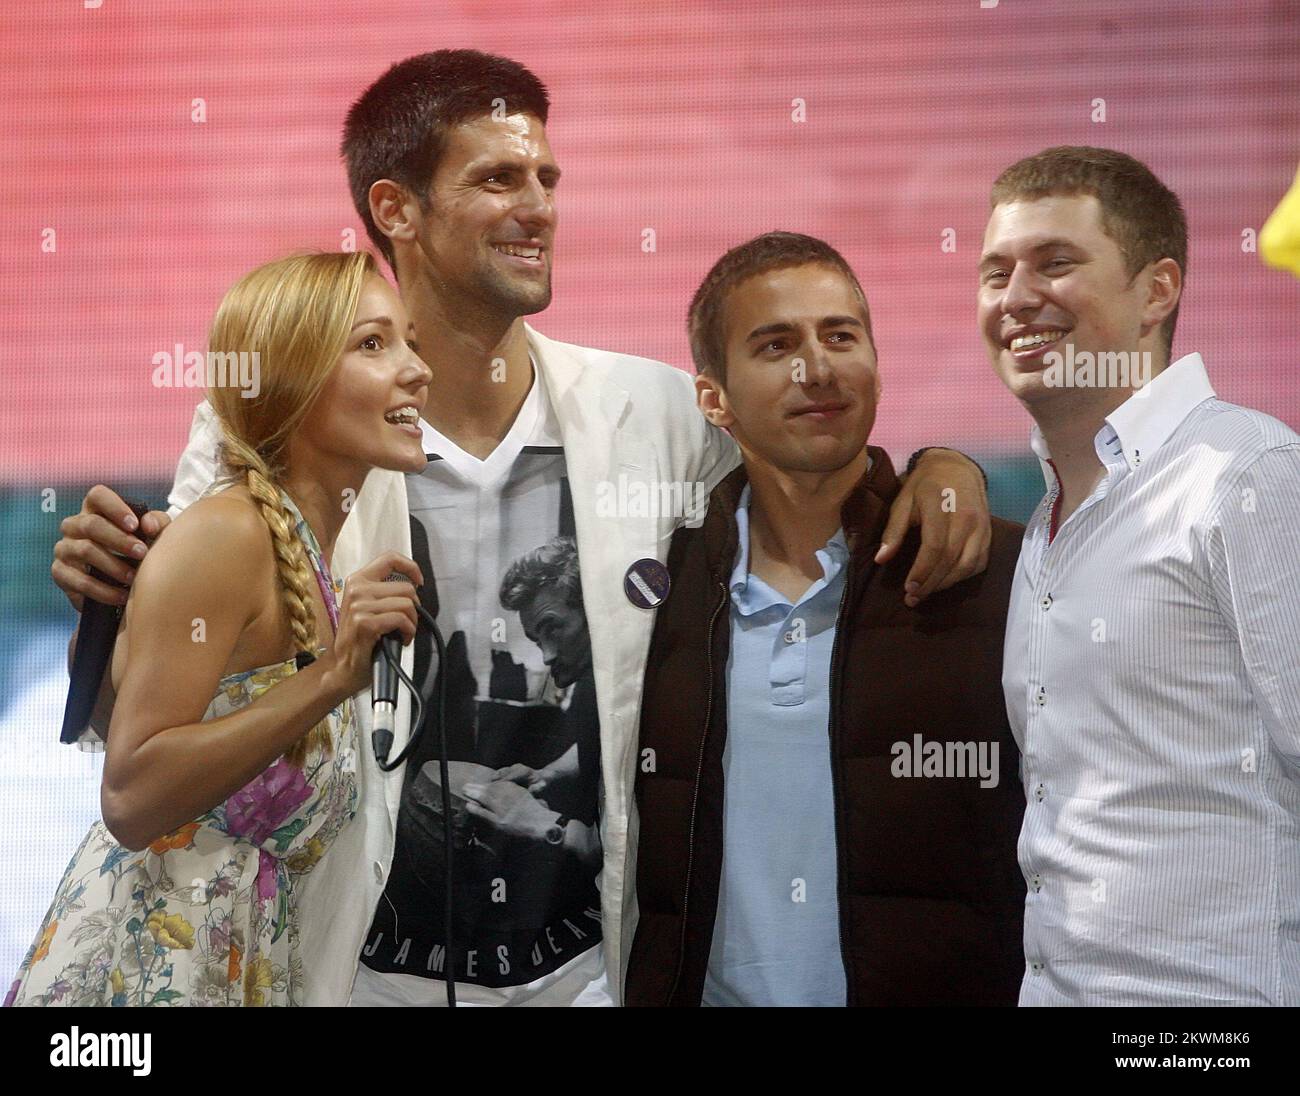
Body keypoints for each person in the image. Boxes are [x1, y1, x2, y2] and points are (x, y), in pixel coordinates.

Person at [48, 51, 993, 1006]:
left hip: (591, 973)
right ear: (396, 210)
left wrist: (941, 468)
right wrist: (110, 601)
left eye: (546, 177)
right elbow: (147, 728)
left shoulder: (655, 413)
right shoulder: (276, 425)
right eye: (498, 178)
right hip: (354, 967)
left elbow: (816, 472)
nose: (538, 206)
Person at [7, 251, 428, 1006]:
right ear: (293, 379)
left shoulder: (306, 553)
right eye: (374, 344)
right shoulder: (229, 534)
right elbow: (132, 796)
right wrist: (331, 678)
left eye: (410, 343)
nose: (416, 370)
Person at [625, 232, 1026, 1006]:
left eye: (841, 336)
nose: (818, 368)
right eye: (776, 346)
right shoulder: (656, 591)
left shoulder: (987, 570)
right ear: (714, 399)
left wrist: (948, 462)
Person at [980, 146, 1300, 1005]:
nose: (1014, 299)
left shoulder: (1249, 474)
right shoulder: (1047, 522)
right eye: (995, 272)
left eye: (1056, 264)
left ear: (1156, 291)